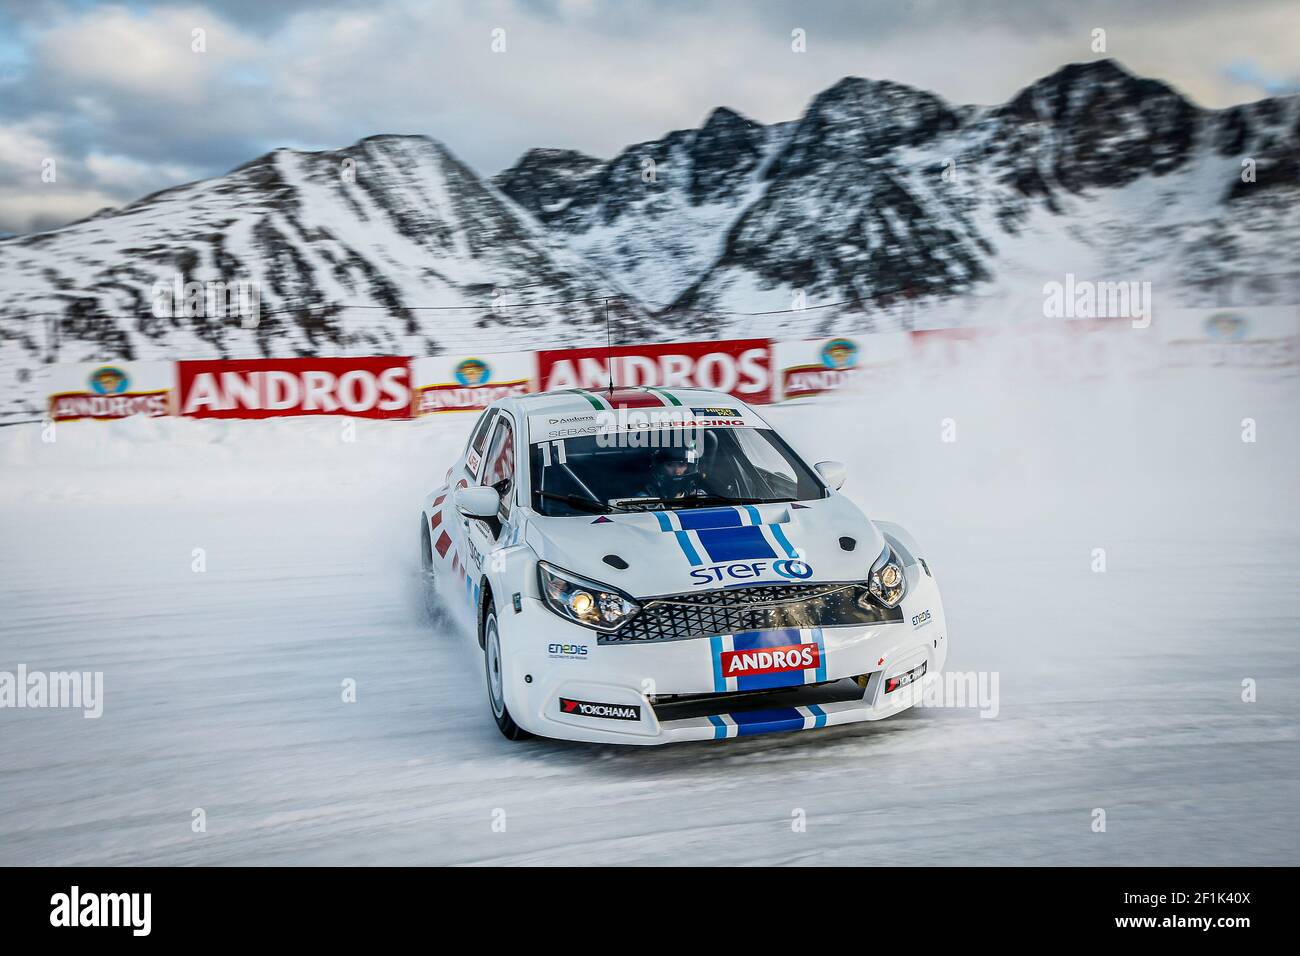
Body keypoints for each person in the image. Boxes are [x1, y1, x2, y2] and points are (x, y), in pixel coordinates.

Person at [640, 443, 706, 500]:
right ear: (660, 468)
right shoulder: (644, 499)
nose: (677, 471)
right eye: (670, 465)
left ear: (689, 467)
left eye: (681, 465)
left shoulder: (701, 498)